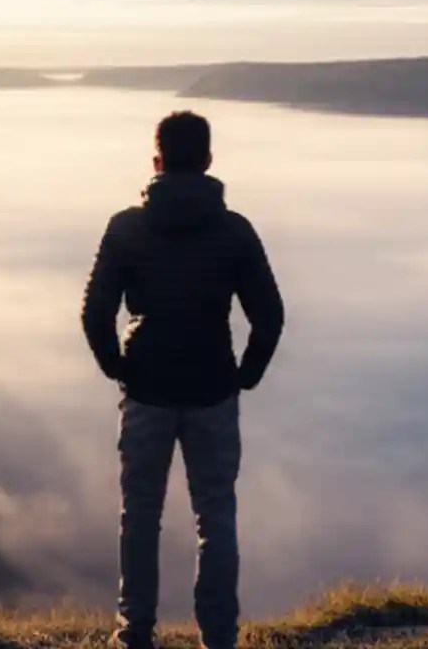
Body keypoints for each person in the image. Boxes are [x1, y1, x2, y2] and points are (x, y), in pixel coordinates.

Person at [81, 111, 285, 649]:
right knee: (215, 516)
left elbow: (94, 314)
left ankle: (134, 635)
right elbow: (270, 316)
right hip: (213, 386)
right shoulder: (235, 231)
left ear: (157, 162)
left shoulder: (126, 227)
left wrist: (118, 368)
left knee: (140, 515)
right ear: (209, 162)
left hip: (146, 387)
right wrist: (245, 374)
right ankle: (218, 638)